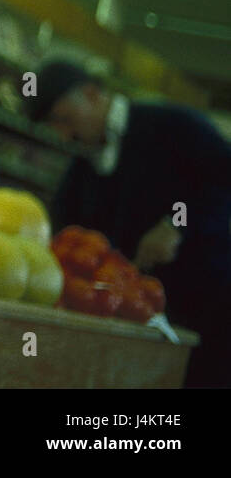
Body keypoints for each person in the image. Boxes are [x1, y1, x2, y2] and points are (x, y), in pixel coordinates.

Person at [27, 60, 231, 388]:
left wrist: (178, 224)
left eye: (64, 119)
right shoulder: (83, 167)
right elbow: (64, 227)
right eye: (55, 126)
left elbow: (223, 178)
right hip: (142, 322)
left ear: (92, 94)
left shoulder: (171, 125)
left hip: (207, 310)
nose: (64, 134)